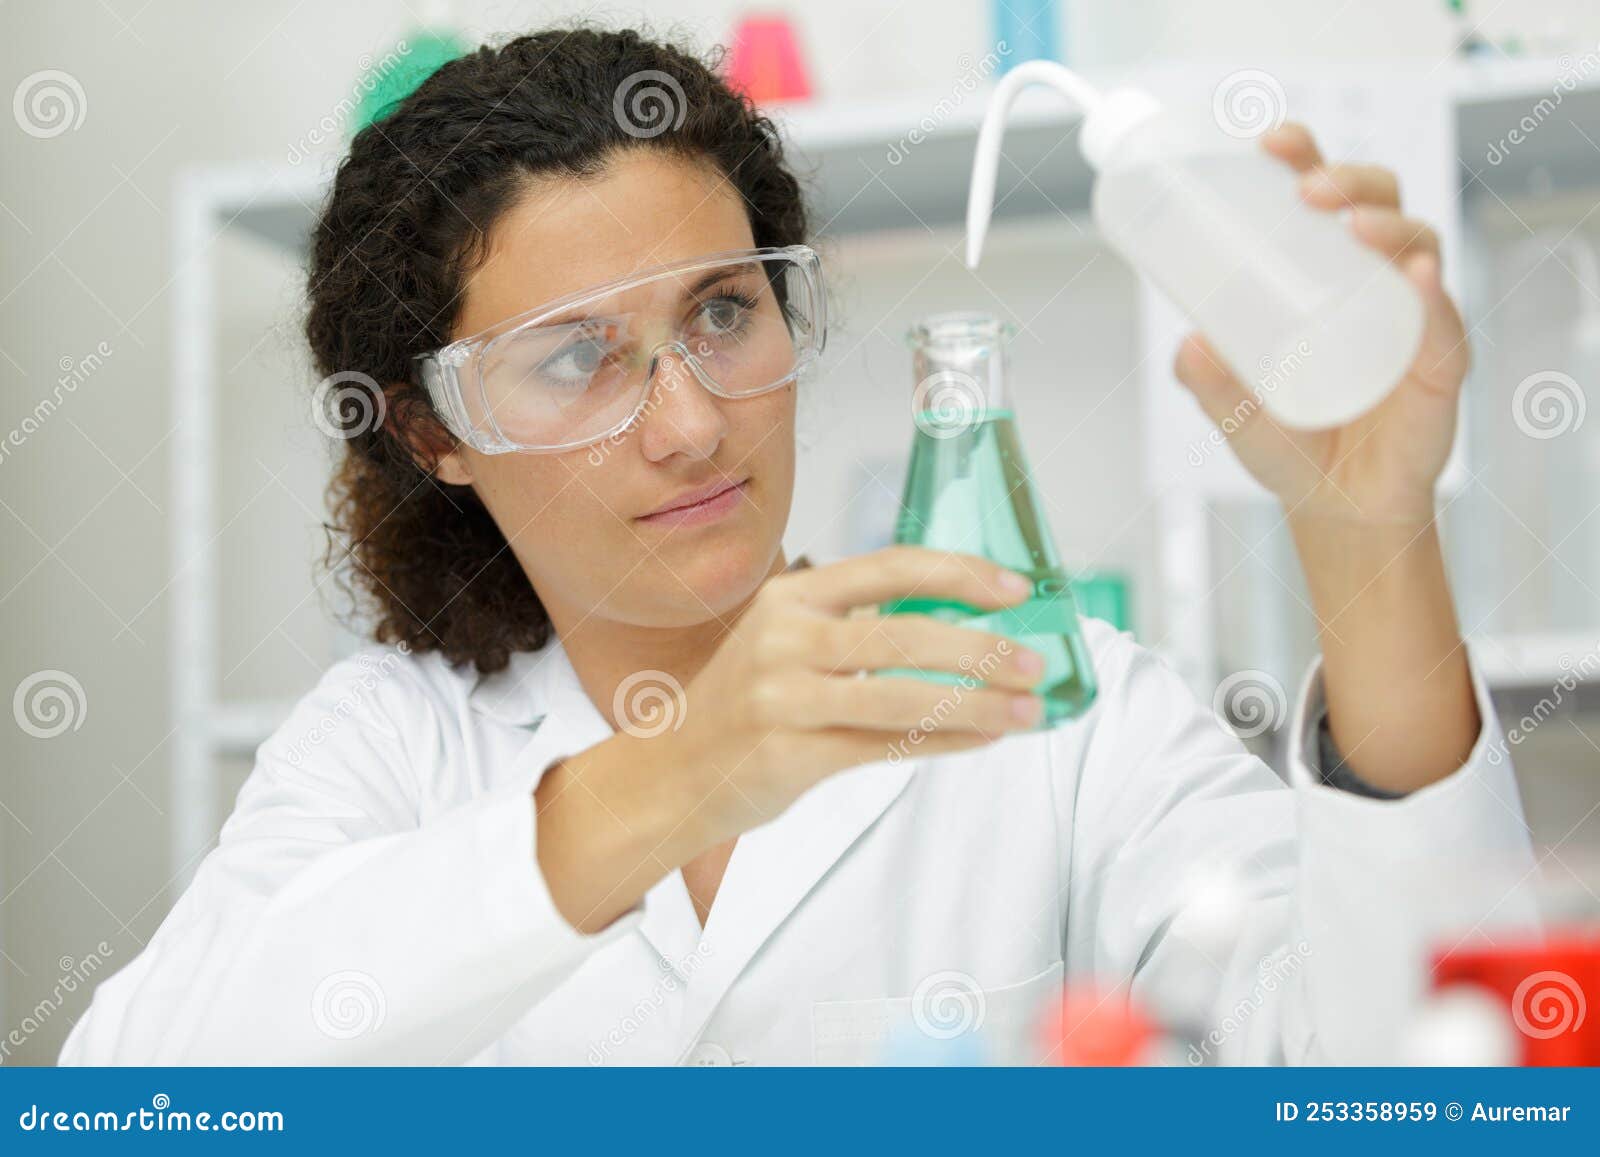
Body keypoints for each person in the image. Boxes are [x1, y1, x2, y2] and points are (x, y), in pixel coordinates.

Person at [61, 27, 1533, 1066]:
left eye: (721, 312)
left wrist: (1369, 535)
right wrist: (678, 773)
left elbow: (1422, 1082)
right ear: (433, 434)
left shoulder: (1060, 711)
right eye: (579, 357)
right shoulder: (390, 749)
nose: (694, 425)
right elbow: (144, 1096)